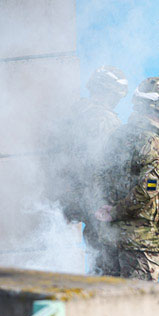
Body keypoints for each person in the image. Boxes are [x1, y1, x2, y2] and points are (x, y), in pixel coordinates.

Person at [47, 65, 129, 275]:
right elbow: (110, 163)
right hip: (99, 199)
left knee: (96, 258)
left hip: (79, 196)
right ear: (111, 93)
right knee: (108, 264)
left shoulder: (75, 111)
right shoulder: (105, 120)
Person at [96, 76, 159, 281]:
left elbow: (102, 176)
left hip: (114, 234)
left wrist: (111, 211)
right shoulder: (154, 143)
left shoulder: (120, 134)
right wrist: (115, 212)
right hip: (141, 239)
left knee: (111, 294)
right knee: (139, 298)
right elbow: (147, 190)